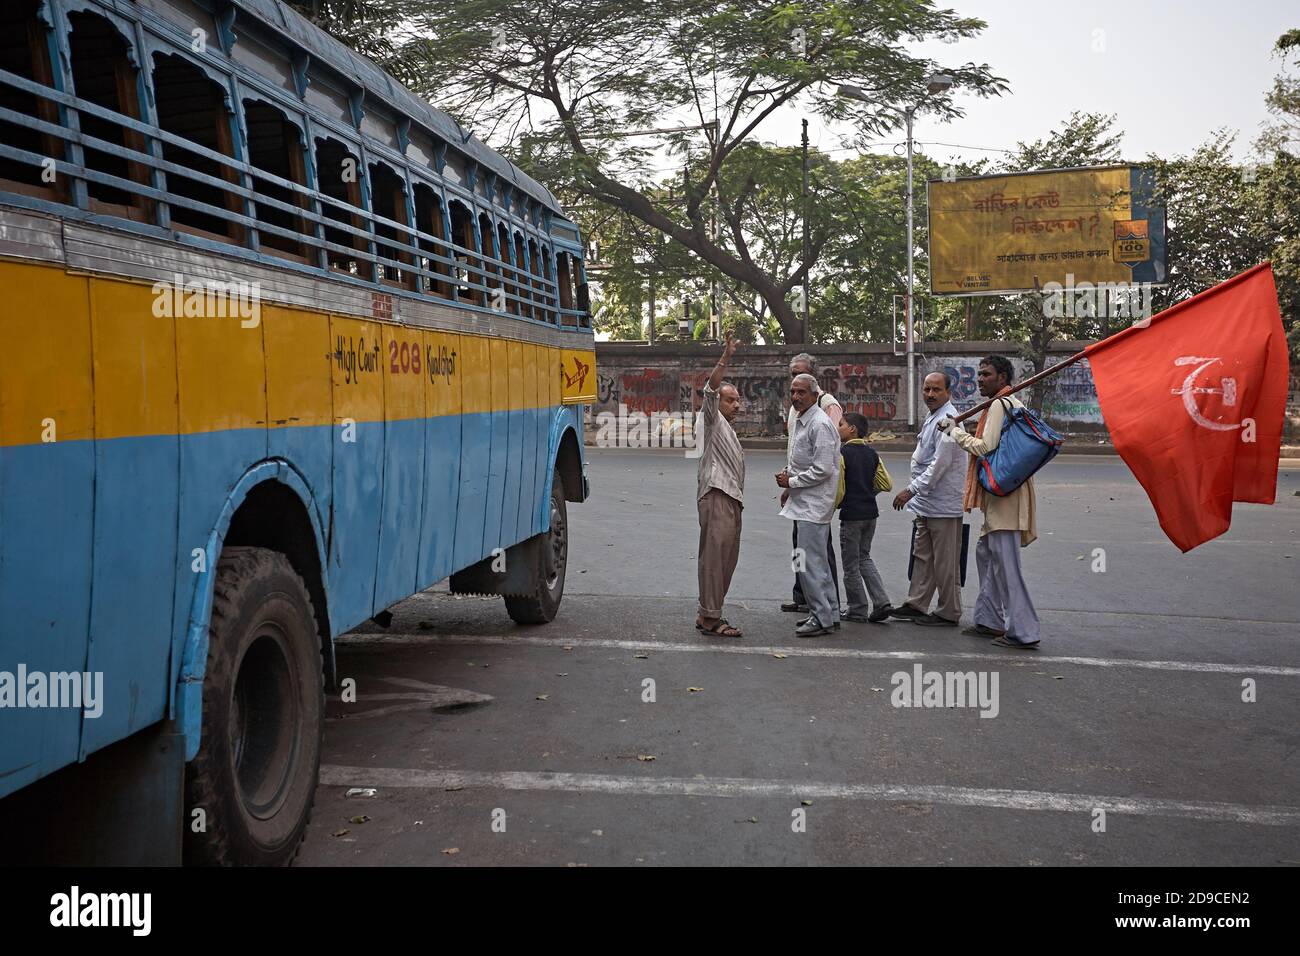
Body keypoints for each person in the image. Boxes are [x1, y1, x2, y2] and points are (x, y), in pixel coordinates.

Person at [939, 354, 1041, 648]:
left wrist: (954, 431)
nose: (981, 379)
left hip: (1006, 497)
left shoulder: (1001, 404)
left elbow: (985, 447)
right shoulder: (1006, 403)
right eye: (979, 374)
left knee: (1007, 566)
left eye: (986, 374)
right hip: (1003, 494)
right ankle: (989, 620)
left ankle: (1024, 631)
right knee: (987, 555)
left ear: (1002, 378)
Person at [889, 372, 966, 627]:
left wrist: (910, 490)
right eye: (926, 389)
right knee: (923, 556)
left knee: (945, 562)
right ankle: (917, 603)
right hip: (926, 504)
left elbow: (938, 466)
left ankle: (949, 611)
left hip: (943, 504)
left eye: (936, 390)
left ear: (948, 393)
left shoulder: (949, 420)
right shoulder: (932, 418)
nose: (930, 395)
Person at [776, 373, 840, 637]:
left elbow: (822, 469)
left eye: (801, 392)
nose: (795, 397)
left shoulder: (820, 423)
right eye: (793, 391)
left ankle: (821, 617)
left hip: (814, 506)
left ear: (816, 395)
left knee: (808, 563)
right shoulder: (802, 420)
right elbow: (801, 459)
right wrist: (791, 484)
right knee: (814, 562)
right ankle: (830, 612)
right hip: (803, 503)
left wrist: (792, 480)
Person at [695, 332, 745, 637]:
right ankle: (712, 618)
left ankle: (707, 613)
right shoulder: (712, 419)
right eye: (731, 400)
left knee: (725, 560)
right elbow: (711, 388)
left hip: (731, 499)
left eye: (738, 400)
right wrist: (725, 358)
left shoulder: (729, 428)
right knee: (715, 560)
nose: (736, 405)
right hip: (717, 495)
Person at [836, 411, 893, 624]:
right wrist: (867, 493)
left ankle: (857, 608)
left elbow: (839, 489)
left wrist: (835, 505)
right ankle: (881, 602)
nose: (838, 427)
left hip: (852, 515)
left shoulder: (842, 453)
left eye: (841, 424)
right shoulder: (872, 453)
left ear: (852, 429)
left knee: (851, 565)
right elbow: (885, 484)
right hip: (871, 514)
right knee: (864, 558)